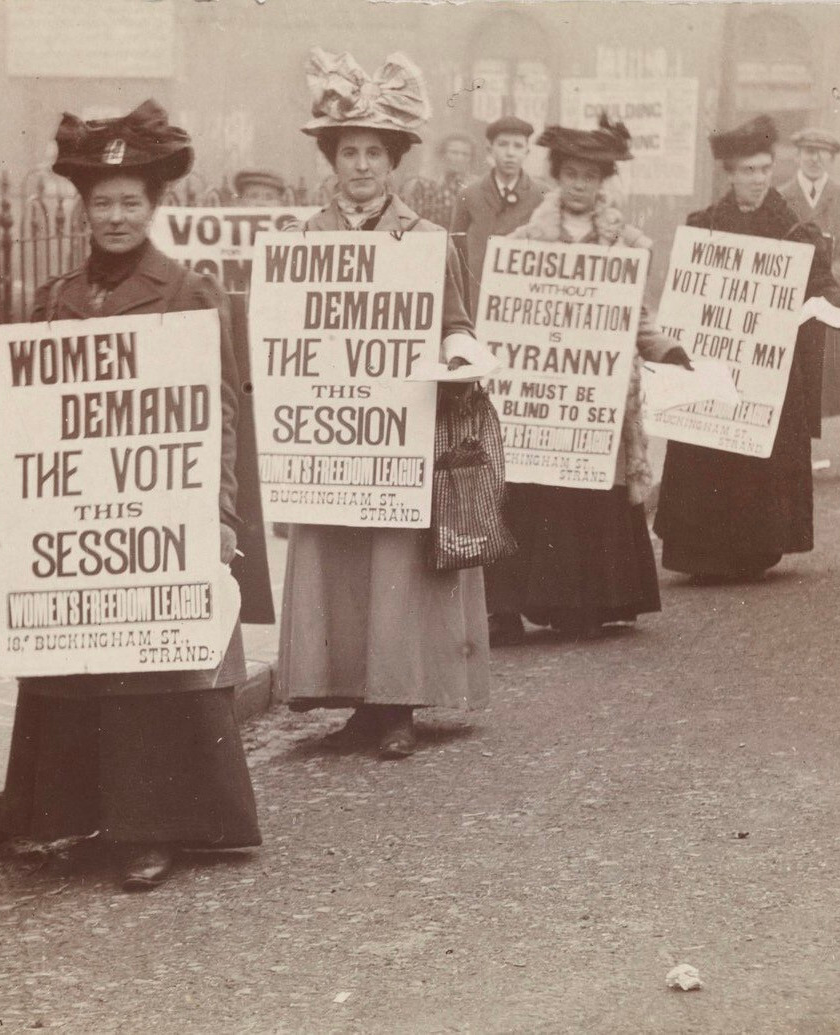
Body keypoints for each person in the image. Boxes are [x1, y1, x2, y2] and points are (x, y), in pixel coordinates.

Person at [0, 100, 260, 891]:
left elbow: (218, 411)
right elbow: (33, 417)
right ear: (82, 209)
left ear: (155, 206)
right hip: (78, 515)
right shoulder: (53, 299)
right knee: (77, 655)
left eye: (130, 203)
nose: (115, 216)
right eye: (101, 203)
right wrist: (20, 502)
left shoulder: (187, 291)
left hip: (159, 512)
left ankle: (151, 827)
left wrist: (218, 512)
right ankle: (76, 814)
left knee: (151, 670)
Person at [276, 48, 495, 759]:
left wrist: (461, 354)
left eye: (374, 152)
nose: (361, 165)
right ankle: (353, 700)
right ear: (331, 159)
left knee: (396, 568)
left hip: (402, 430)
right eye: (349, 151)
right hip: (335, 432)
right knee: (340, 564)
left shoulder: (429, 243)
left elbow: (455, 321)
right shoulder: (305, 242)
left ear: (394, 161)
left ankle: (397, 703)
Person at [482, 117, 692, 646]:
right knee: (532, 496)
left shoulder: (627, 245)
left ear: (603, 183)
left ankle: (583, 605)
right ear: (556, 177)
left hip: (598, 401)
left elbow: (638, 319)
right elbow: (503, 313)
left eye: (590, 176)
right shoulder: (523, 241)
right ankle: (513, 604)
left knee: (588, 499)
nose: (579, 184)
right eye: (570, 174)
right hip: (541, 399)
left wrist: (665, 348)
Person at [655, 116, 840, 581]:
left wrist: (815, 306)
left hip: (770, 369)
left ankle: (758, 546)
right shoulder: (703, 225)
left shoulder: (796, 231)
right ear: (730, 174)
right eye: (747, 171)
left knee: (760, 456)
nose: (757, 179)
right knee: (710, 453)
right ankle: (703, 550)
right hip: (717, 364)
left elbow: (824, 288)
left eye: (764, 169)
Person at [780, 127, 840, 474]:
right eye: (808, 150)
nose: (814, 158)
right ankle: (794, 460)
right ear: (797, 155)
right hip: (794, 300)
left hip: (837, 297)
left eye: (821, 152)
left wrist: (831, 283)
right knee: (793, 380)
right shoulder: (781, 197)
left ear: (831, 159)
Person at [451, 115, 545, 309]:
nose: (510, 153)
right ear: (489, 150)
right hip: (478, 294)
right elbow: (455, 250)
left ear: (527, 151)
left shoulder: (541, 196)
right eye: (503, 145)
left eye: (518, 146)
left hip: (522, 295)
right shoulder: (469, 195)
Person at [415, 133, 476, 227]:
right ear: (442, 154)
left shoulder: (475, 186)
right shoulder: (425, 184)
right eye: (454, 152)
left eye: (465, 154)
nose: (460, 158)